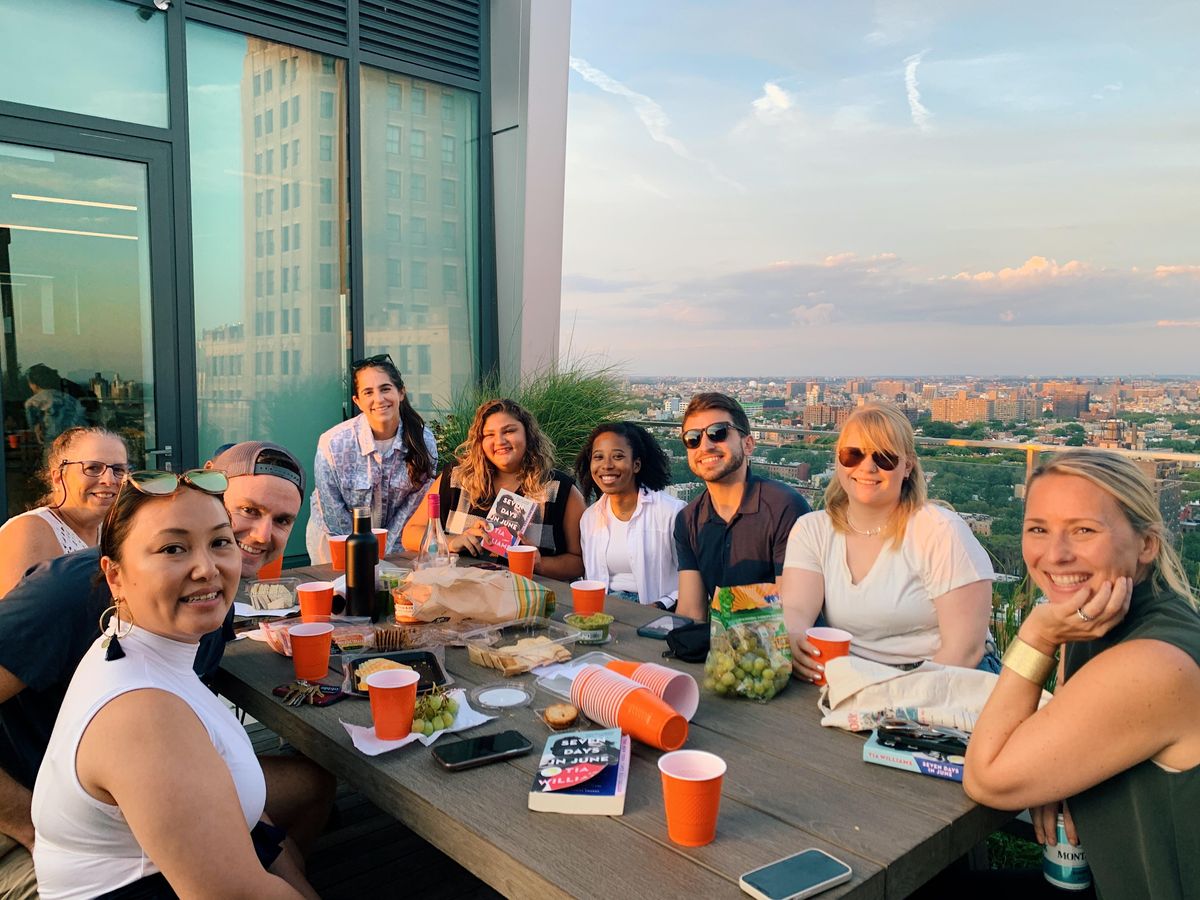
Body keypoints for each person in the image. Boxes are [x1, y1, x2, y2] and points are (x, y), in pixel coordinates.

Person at [0, 442, 332, 898]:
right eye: (174, 547)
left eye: (219, 542)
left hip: (127, 811)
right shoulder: (69, 600)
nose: (207, 567)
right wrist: (28, 826)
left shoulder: (161, 631)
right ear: (114, 575)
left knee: (298, 824)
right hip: (63, 828)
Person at [963, 450, 1200, 898]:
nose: (1056, 554)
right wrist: (1056, 772)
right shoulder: (1096, 616)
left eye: (1084, 530)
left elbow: (987, 777)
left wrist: (1036, 635)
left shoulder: (1154, 663)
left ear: (1146, 544)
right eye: (1038, 529)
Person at [780, 403, 996, 679]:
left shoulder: (940, 531)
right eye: (852, 455)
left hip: (947, 679)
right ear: (837, 461)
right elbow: (797, 608)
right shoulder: (812, 529)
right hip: (856, 677)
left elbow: (964, 651)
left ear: (907, 467)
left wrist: (894, 699)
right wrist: (795, 637)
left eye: (884, 457)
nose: (867, 466)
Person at [402, 398, 585, 580]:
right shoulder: (456, 479)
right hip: (461, 592)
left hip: (528, 598)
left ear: (528, 435)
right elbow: (410, 534)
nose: (500, 440)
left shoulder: (559, 489)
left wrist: (539, 563)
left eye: (510, 430)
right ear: (479, 442)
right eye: (489, 434)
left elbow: (579, 563)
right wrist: (452, 542)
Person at [674, 393, 810, 621]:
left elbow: (791, 613)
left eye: (718, 433)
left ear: (748, 444)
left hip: (778, 648)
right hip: (722, 649)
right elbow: (690, 612)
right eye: (693, 438)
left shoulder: (784, 507)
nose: (705, 446)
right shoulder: (688, 520)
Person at [307, 354, 436, 562]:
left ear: (401, 392)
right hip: (336, 540)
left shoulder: (424, 442)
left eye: (385, 389)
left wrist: (386, 553)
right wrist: (361, 553)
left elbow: (411, 510)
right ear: (357, 401)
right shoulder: (333, 443)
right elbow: (333, 512)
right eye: (368, 392)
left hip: (395, 541)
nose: (379, 399)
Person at [0, 426, 128, 597]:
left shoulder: (110, 528)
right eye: (93, 468)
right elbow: (18, 620)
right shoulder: (29, 530)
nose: (109, 480)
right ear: (58, 477)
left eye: (118, 470)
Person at [574, 422, 685, 608]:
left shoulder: (671, 512)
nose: (606, 465)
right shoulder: (590, 518)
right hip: (602, 609)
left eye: (618, 456)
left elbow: (693, 580)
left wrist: (661, 605)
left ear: (636, 464)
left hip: (656, 614)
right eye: (598, 457)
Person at [23, 364, 86, 445]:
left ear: (33, 384)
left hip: (51, 440)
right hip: (72, 439)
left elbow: (34, 426)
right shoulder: (69, 398)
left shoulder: (33, 402)